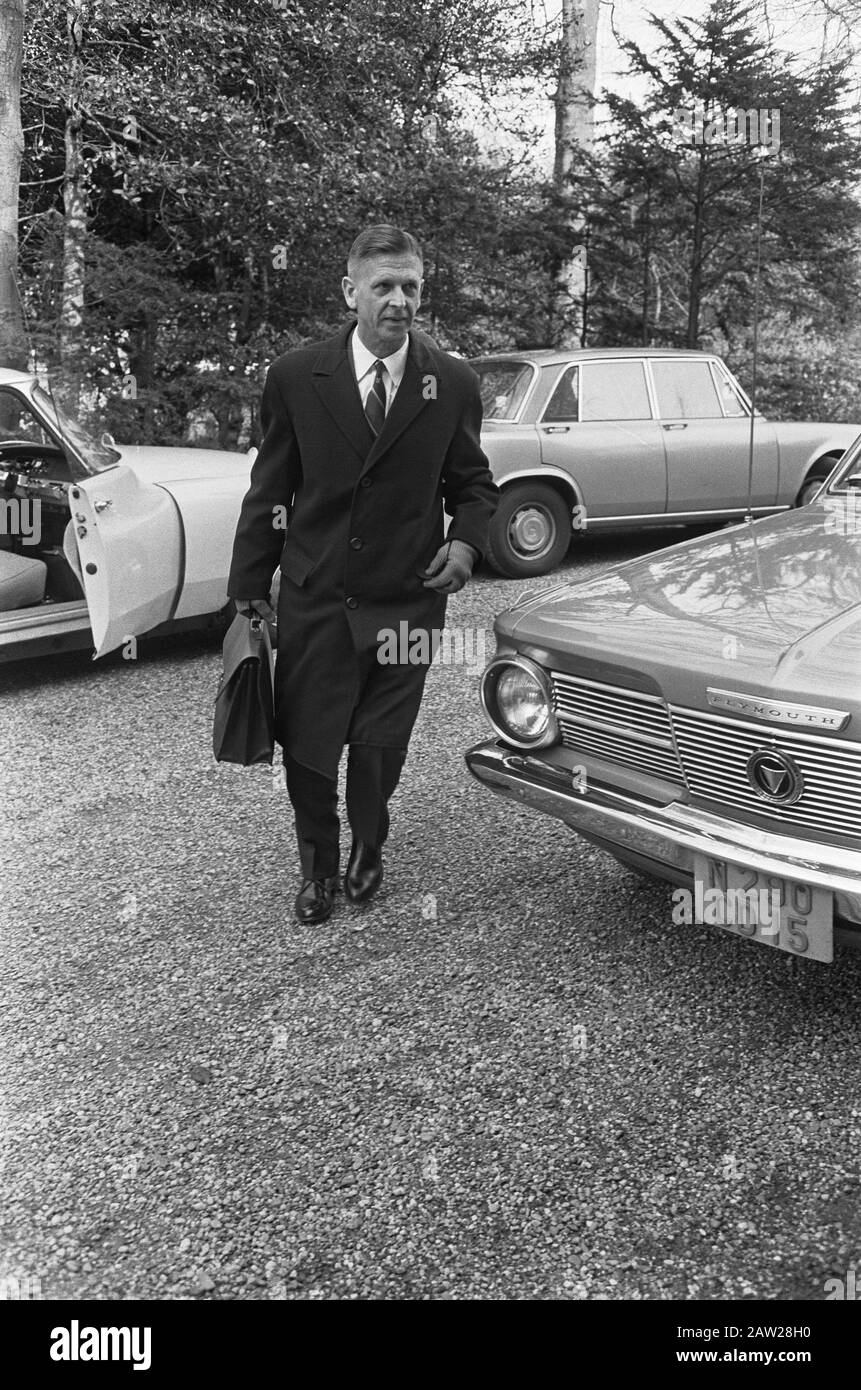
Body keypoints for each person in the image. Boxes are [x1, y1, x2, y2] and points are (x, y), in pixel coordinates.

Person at [227, 225, 499, 924]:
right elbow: (269, 493)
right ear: (350, 292)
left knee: (380, 739)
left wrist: (465, 547)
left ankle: (368, 846)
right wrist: (248, 596)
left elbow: (474, 485)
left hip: (406, 600)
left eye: (411, 286)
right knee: (312, 741)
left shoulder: (452, 382)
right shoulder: (296, 377)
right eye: (383, 286)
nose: (399, 300)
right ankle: (316, 869)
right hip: (317, 598)